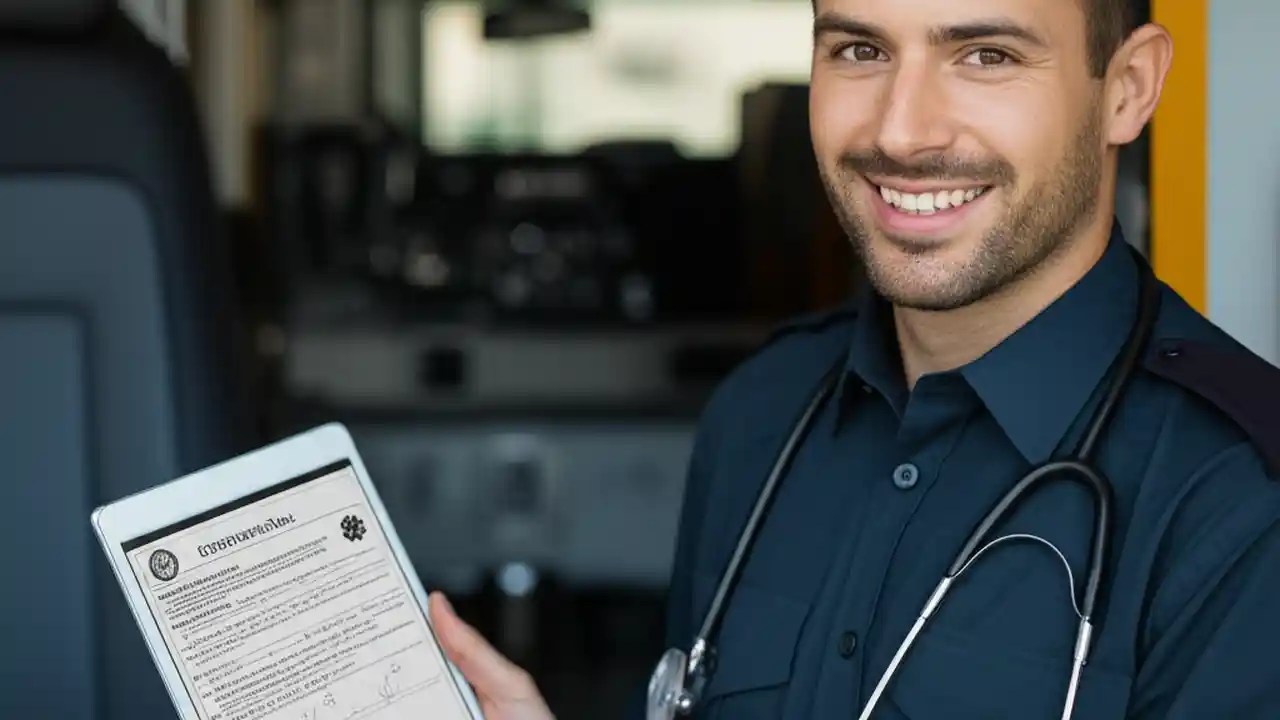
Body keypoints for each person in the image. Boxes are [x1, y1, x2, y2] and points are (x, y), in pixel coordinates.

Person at [428, 0, 1280, 716]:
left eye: (986, 55)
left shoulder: (1242, 503)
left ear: (1126, 90)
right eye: (860, 50)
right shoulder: (761, 415)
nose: (902, 133)